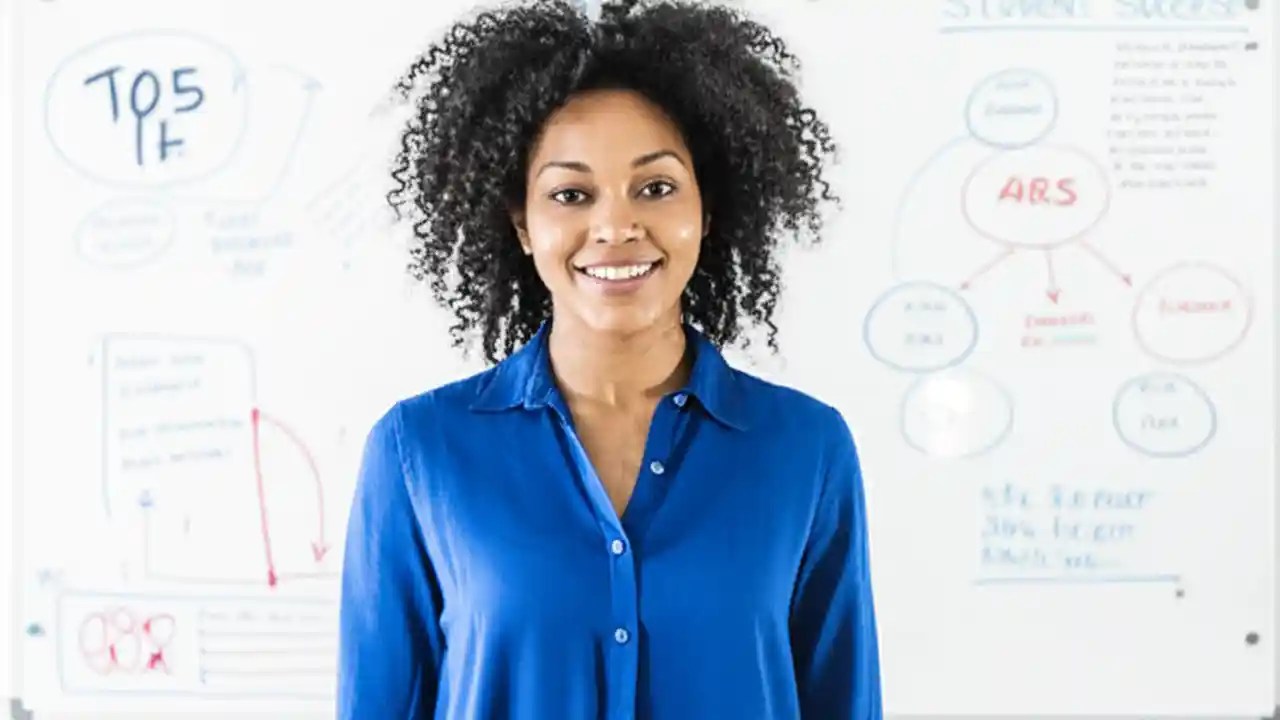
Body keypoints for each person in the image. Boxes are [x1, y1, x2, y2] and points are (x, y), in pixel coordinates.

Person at [337, 0, 881, 717]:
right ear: (521, 223)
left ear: (707, 210)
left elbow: (844, 701)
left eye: (656, 188)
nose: (617, 225)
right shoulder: (420, 453)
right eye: (571, 193)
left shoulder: (806, 450)